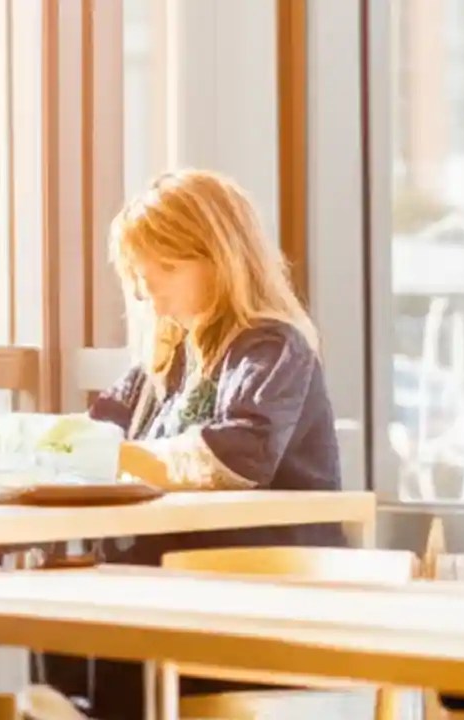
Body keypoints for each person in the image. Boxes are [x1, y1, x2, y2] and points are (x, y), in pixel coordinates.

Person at [47, 169, 343, 718]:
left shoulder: (273, 347)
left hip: (255, 599)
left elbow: (238, 454)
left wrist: (111, 457)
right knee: (63, 634)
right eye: (139, 273)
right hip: (181, 586)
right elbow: (100, 425)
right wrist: (53, 445)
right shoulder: (169, 360)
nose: (147, 288)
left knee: (105, 634)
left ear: (222, 259)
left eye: (166, 268)